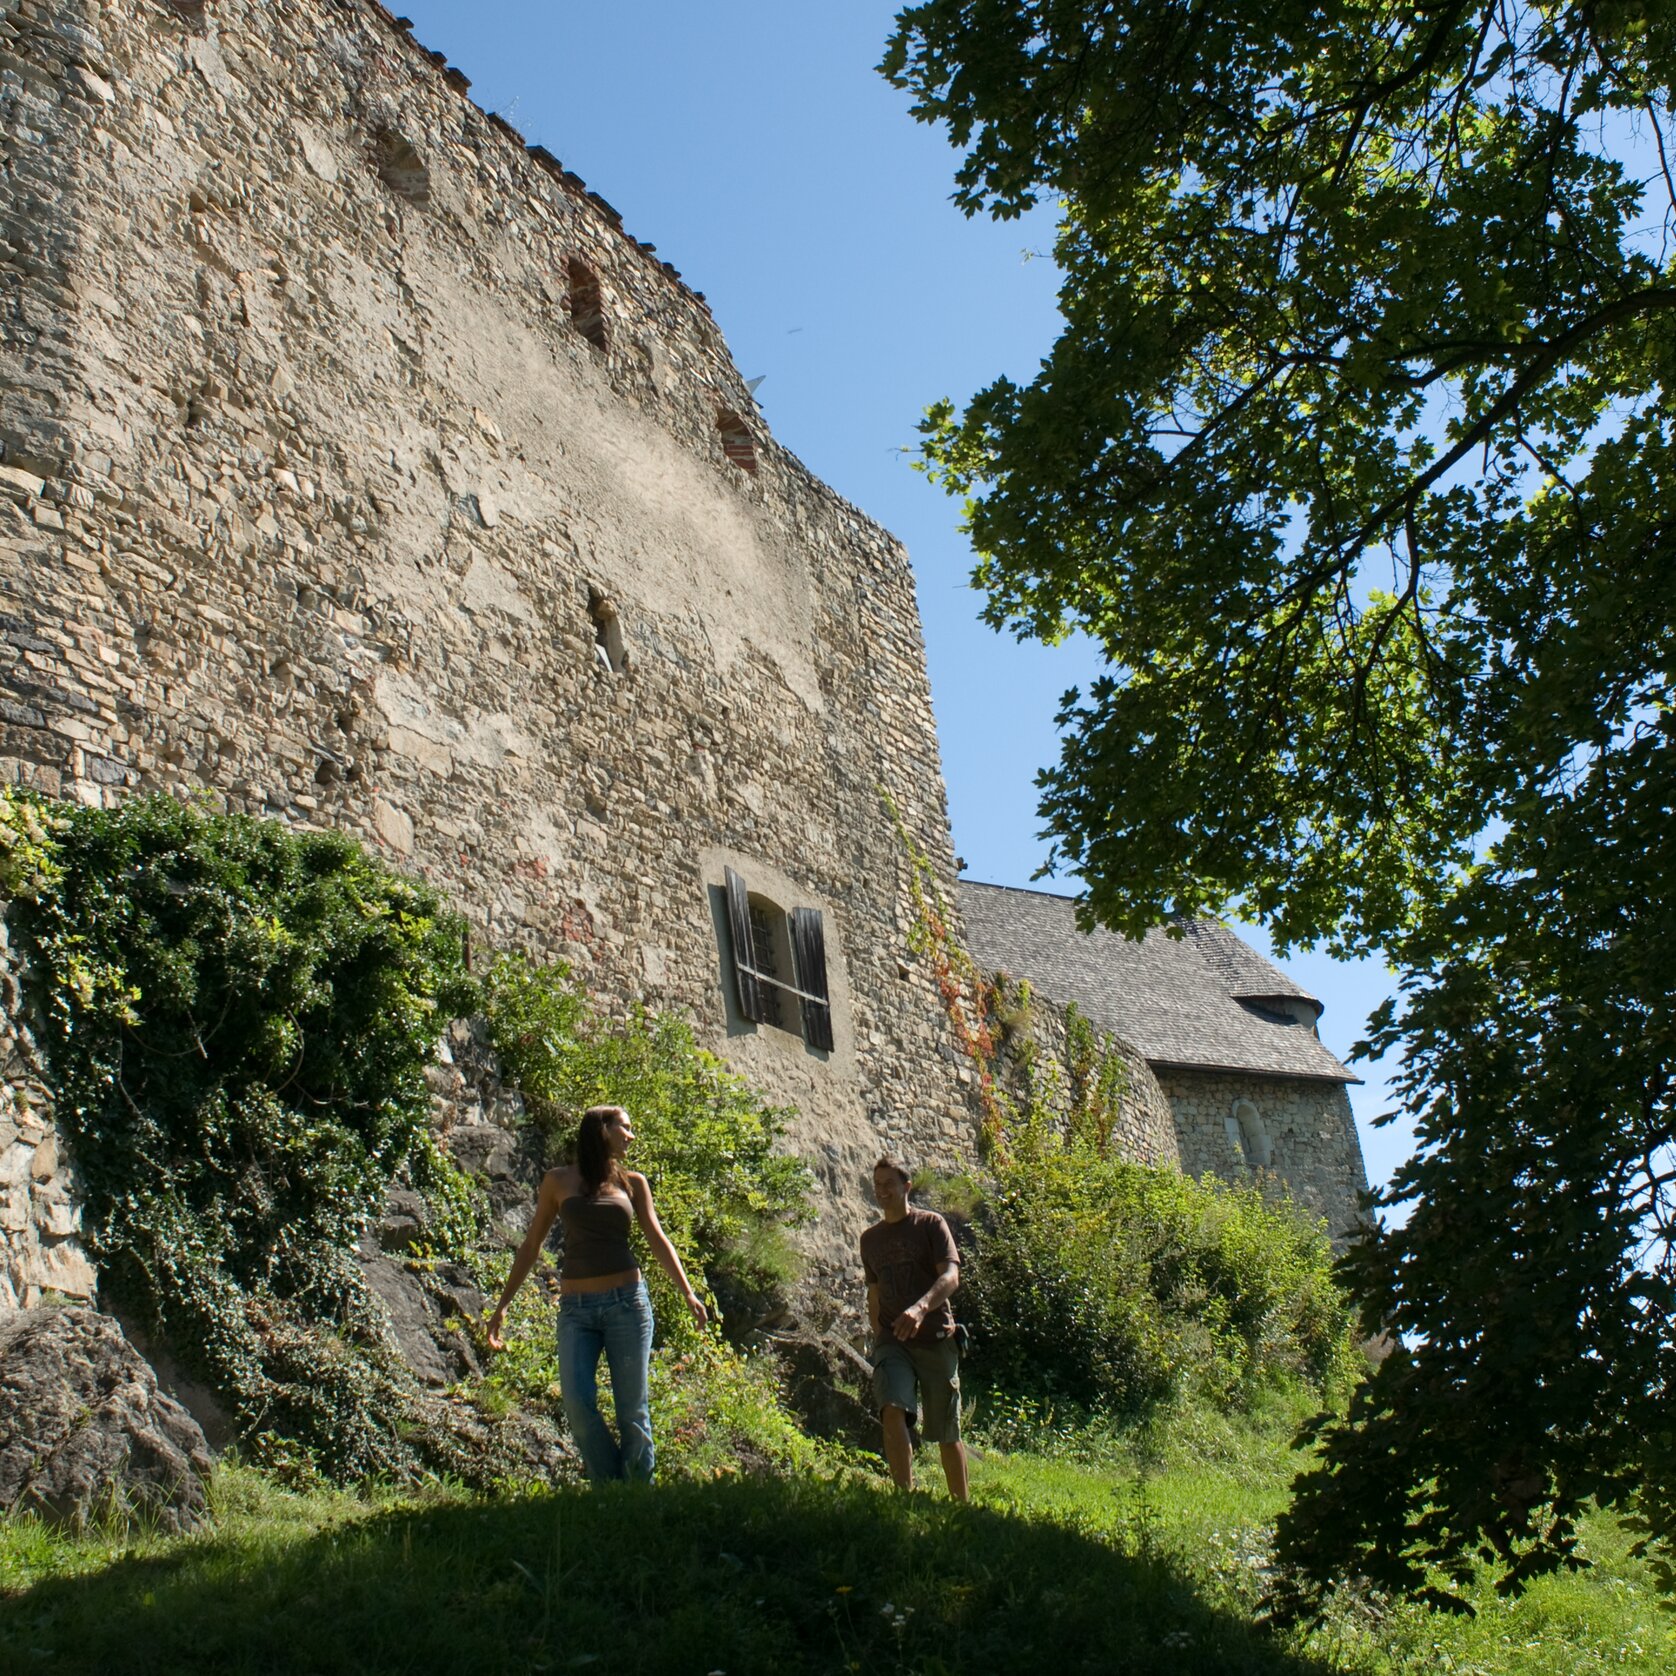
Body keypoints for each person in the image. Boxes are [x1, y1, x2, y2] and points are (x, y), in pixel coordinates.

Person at [485, 1104, 707, 1483]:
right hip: (576, 1310)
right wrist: (503, 1304)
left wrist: (687, 1292)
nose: (631, 1136)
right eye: (625, 1127)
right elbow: (531, 1245)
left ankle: (636, 1496)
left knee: (632, 1411)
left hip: (627, 1305)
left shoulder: (633, 1182)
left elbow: (657, 1238)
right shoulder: (557, 1181)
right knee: (577, 1404)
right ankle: (611, 1489)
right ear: (603, 1129)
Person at [860, 1155, 968, 1501]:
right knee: (892, 1409)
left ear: (907, 1187)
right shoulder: (870, 1239)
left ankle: (961, 1508)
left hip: (935, 1338)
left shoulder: (930, 1225)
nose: (882, 1191)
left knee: (946, 1432)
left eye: (889, 1184)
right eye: (877, 1185)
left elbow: (951, 1276)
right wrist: (878, 1336)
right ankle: (903, 1499)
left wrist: (921, 1308)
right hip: (893, 1341)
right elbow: (874, 1291)